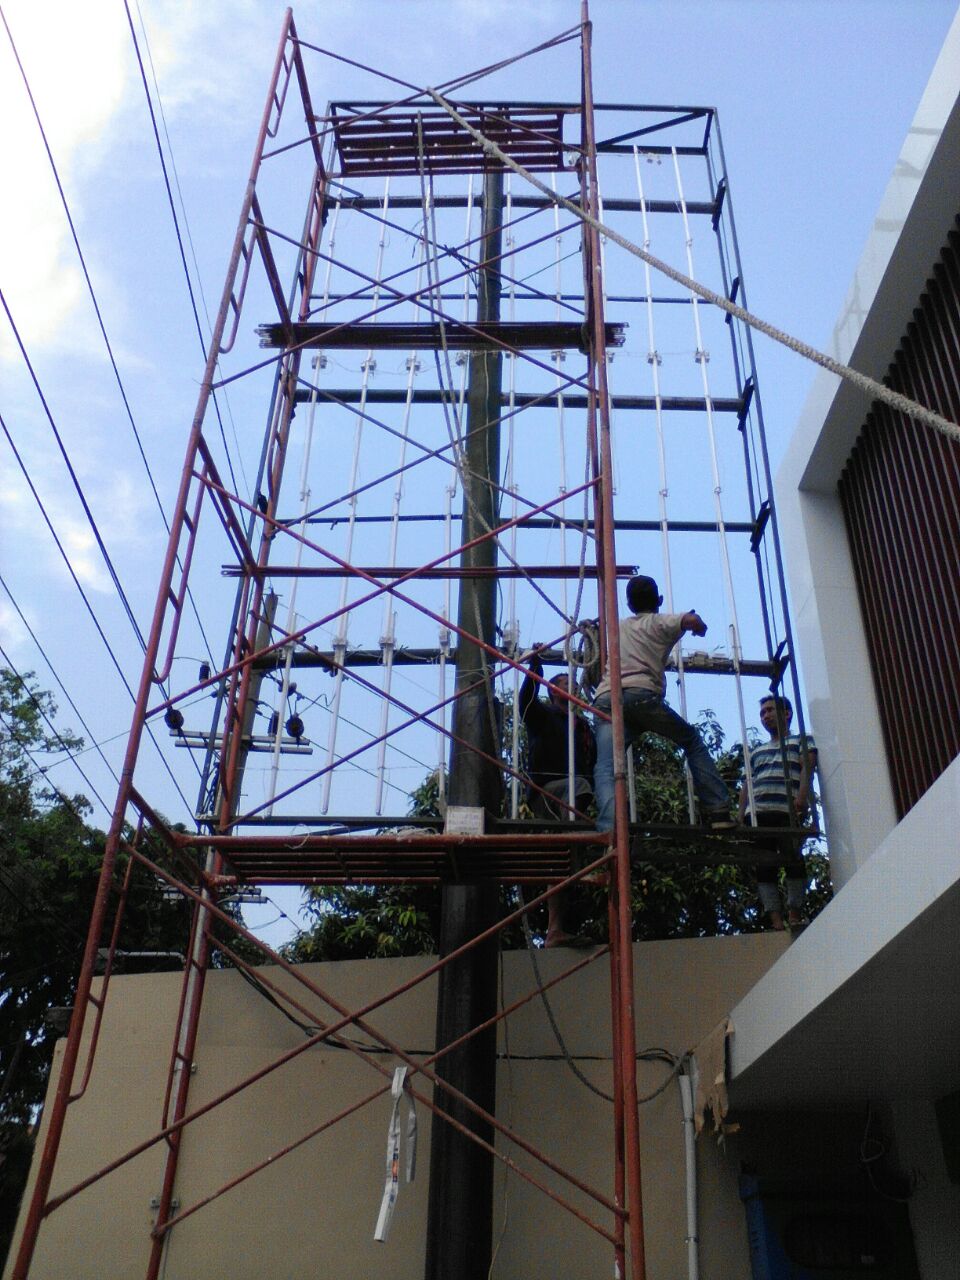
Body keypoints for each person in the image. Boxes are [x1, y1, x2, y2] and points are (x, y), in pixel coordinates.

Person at [592, 574, 733, 832]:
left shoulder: (618, 626)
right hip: (642, 696)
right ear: (659, 600)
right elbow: (690, 620)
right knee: (690, 740)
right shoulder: (659, 622)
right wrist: (698, 626)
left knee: (606, 766)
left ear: (629, 604)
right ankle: (718, 810)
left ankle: (608, 830)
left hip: (606, 698)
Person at [519, 647, 597, 947]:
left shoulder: (584, 727)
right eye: (565, 685)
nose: (572, 689)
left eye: (574, 686)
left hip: (572, 795)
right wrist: (534, 671)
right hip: (549, 792)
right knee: (579, 787)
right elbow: (526, 703)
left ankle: (555, 929)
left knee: (562, 863)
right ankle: (574, 830)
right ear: (552, 692)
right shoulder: (545, 715)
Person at [738, 694, 817, 931]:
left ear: (787, 713)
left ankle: (794, 913)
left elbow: (807, 769)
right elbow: (747, 783)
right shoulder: (756, 751)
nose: (766, 716)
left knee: (793, 859)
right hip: (758, 814)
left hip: (787, 810)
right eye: (763, 713)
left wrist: (801, 799)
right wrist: (740, 814)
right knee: (764, 866)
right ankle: (776, 921)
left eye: (771, 710)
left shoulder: (801, 741)